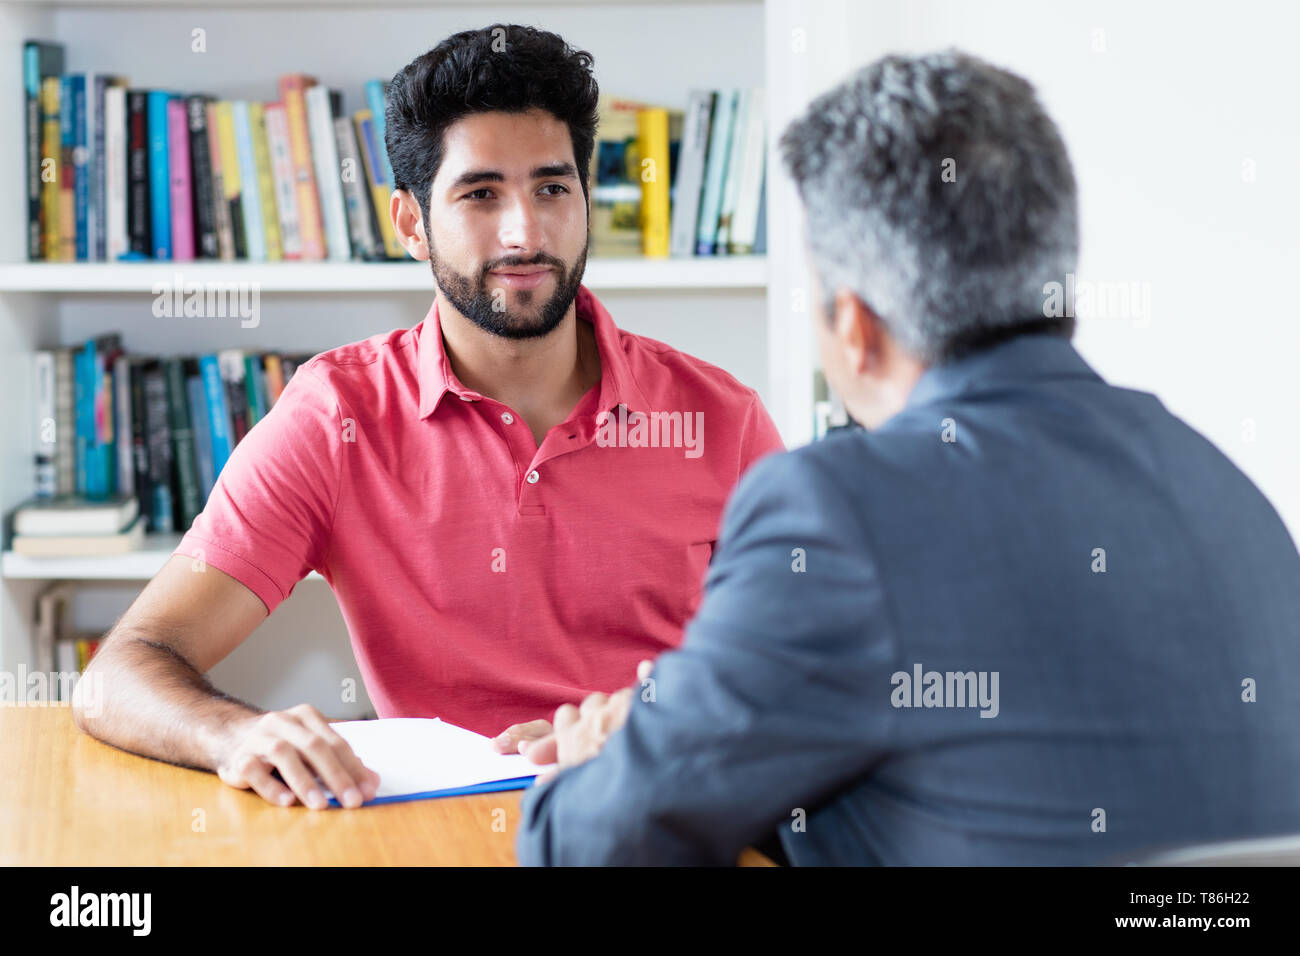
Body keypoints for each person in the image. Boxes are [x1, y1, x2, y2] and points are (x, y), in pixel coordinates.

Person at [515, 50, 1300, 865]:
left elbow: (596, 846)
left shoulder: (837, 512)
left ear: (854, 327)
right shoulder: (1226, 489)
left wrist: (591, 766)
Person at [71, 24, 782, 813]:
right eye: (481, 194)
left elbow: (821, 682)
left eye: (553, 187)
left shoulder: (723, 420)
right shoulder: (335, 416)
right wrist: (235, 736)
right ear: (410, 224)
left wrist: (662, 731)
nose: (525, 232)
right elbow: (121, 671)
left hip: (664, 828)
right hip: (430, 838)